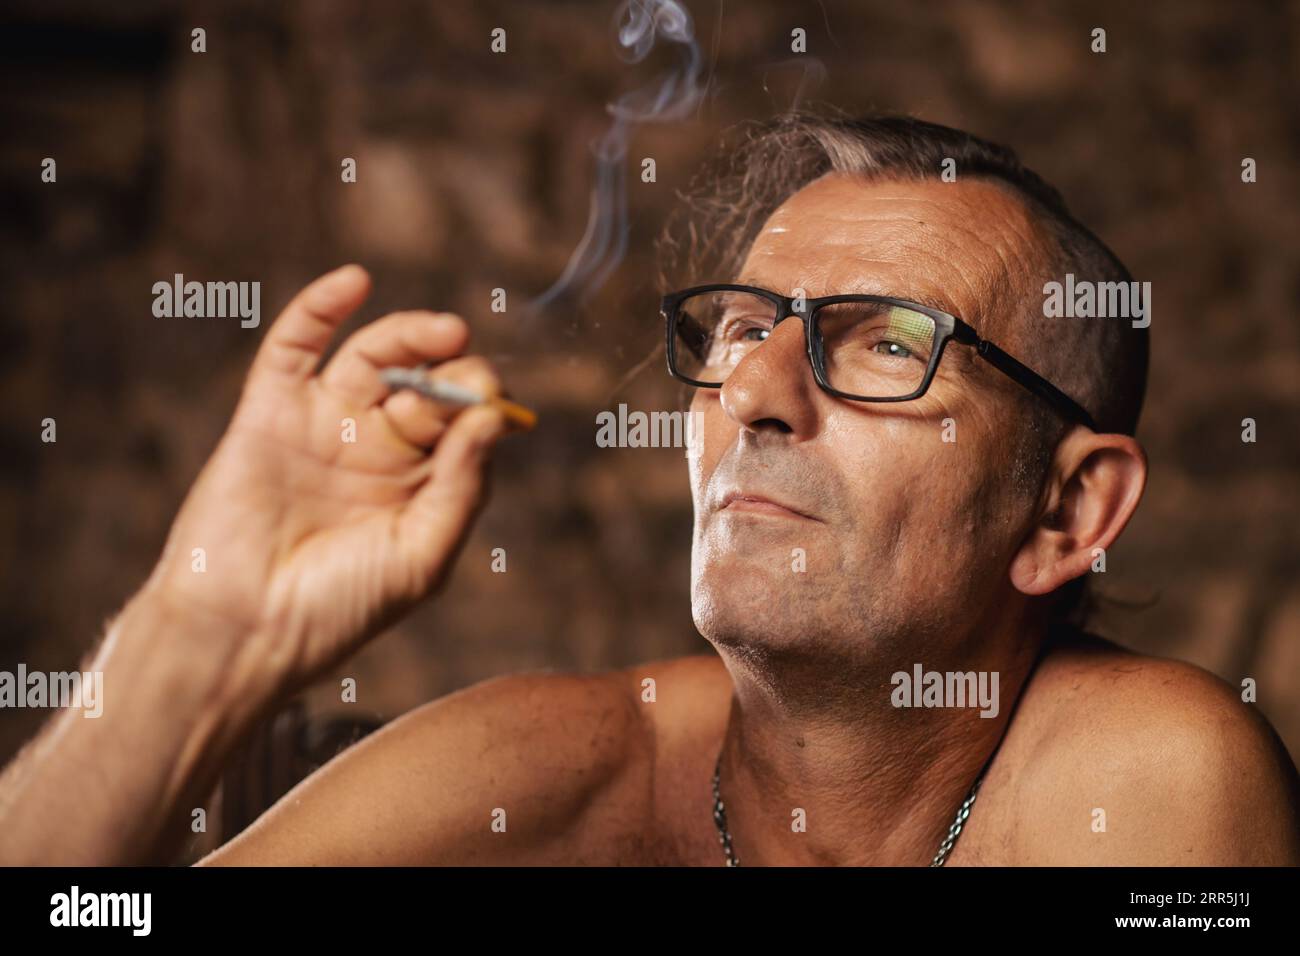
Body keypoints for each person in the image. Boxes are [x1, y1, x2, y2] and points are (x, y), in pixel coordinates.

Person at [2, 113, 1297, 866]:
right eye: (739, 330)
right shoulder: (559, 762)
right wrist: (206, 632)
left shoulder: (1146, 775)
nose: (751, 394)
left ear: (1066, 513)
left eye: (889, 343)